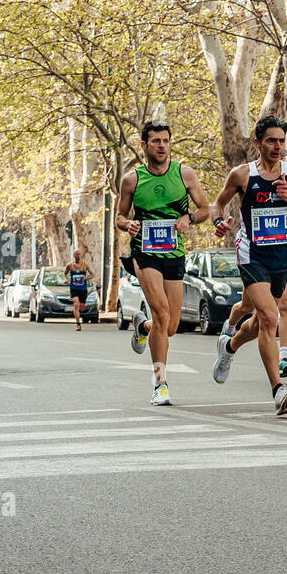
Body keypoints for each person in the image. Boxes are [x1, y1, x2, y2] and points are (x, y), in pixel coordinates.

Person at [209, 116, 287, 415]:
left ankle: (229, 347)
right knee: (270, 318)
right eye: (271, 140)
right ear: (258, 143)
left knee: (259, 324)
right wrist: (219, 222)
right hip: (251, 254)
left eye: (282, 141)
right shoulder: (241, 175)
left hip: (282, 257)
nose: (277, 146)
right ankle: (277, 389)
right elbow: (216, 205)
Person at [116, 119, 213, 407]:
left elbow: (206, 208)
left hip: (174, 253)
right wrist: (128, 224)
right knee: (161, 313)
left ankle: (143, 327)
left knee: (169, 326)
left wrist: (190, 218)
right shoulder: (132, 179)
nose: (162, 146)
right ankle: (160, 383)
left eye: (166, 141)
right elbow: (120, 216)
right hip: (144, 254)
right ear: (144, 145)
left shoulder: (184, 174)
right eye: (156, 141)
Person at [66, 249, 93, 331]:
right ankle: (78, 324)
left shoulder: (85, 265)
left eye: (79, 254)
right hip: (74, 288)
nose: (78, 256)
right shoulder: (70, 265)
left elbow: (92, 274)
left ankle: (75, 311)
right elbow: (65, 273)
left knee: (81, 308)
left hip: (83, 289)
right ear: (74, 255)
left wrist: (87, 277)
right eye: (76, 254)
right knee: (76, 304)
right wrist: (65, 279)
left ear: (81, 255)